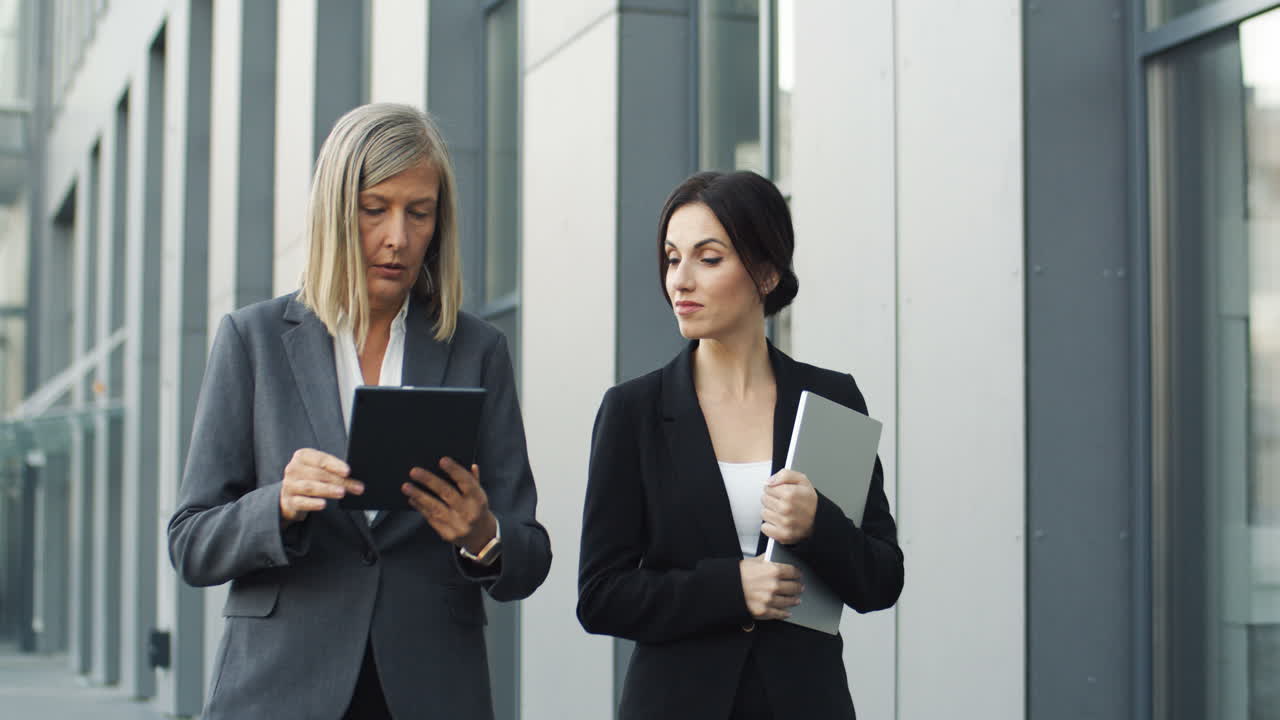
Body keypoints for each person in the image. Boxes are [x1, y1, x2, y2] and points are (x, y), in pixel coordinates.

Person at [168, 103, 551, 720]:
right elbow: (190, 542)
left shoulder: (478, 350)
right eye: (375, 209)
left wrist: (482, 535)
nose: (397, 236)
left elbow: (530, 554)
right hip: (279, 690)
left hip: (429, 689)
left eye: (418, 212)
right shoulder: (254, 340)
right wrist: (279, 505)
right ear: (335, 212)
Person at [577, 171, 904, 719]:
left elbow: (881, 580)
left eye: (708, 258)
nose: (680, 280)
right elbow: (601, 595)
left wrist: (818, 523)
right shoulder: (632, 411)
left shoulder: (829, 399)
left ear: (766, 271)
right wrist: (730, 589)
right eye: (672, 257)